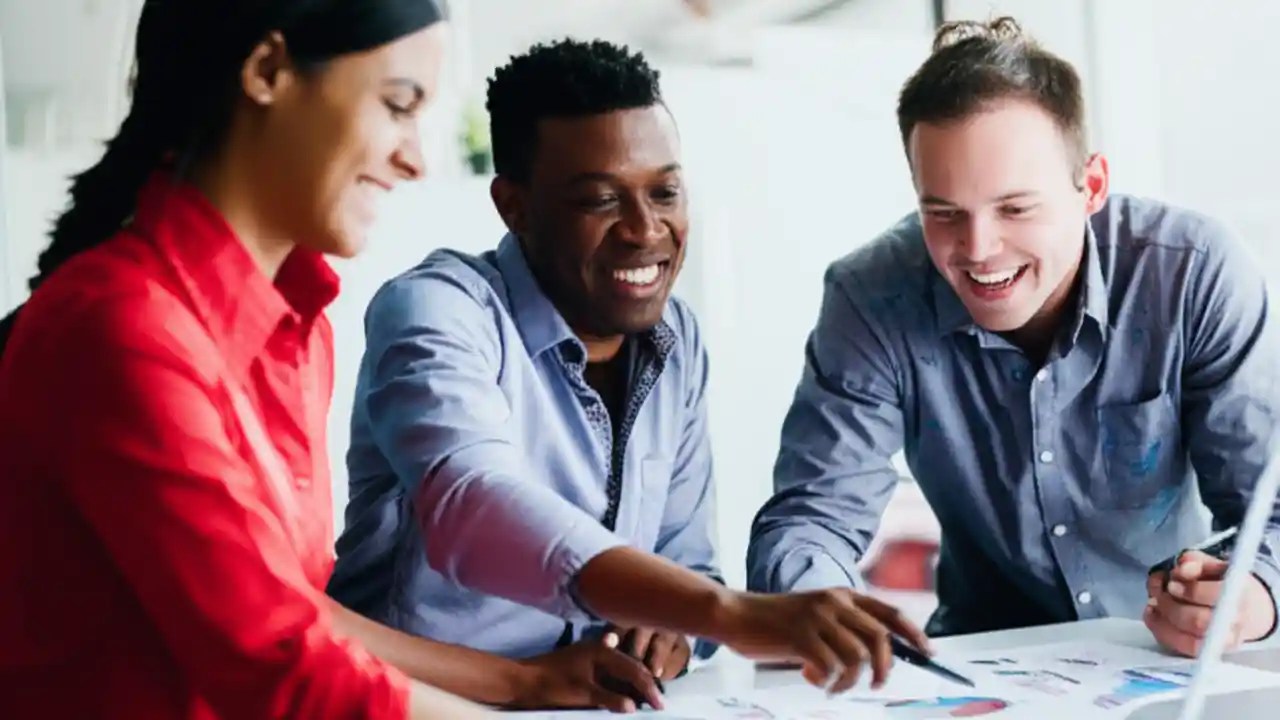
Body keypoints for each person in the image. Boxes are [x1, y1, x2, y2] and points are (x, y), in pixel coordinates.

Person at [326, 37, 931, 703]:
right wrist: (726, 613)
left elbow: (685, 558)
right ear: (514, 207)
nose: (646, 229)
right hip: (407, 703)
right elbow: (471, 499)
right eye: (600, 200)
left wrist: (671, 633)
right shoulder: (439, 308)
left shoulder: (678, 340)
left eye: (664, 190)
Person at [0, 2, 490, 718]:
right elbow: (280, 667)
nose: (415, 158)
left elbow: (294, 611)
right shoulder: (120, 326)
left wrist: (522, 684)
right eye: (397, 105)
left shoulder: (299, 331)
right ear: (267, 71)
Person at [747, 16, 1280, 657]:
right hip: (985, 663)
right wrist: (818, 606)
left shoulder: (1193, 272)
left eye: (1015, 208)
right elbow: (812, 518)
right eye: (942, 213)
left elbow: (1270, 511)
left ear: (1092, 187)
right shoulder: (871, 297)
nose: (977, 250)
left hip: (1164, 658)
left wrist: (1256, 593)